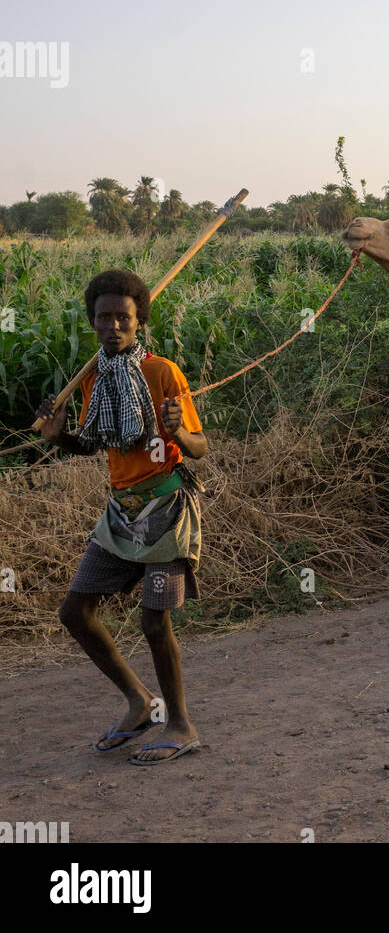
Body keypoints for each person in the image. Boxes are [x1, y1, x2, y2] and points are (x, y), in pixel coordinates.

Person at [36, 268, 207, 766]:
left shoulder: (163, 373)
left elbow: (199, 449)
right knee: (75, 612)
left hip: (166, 509)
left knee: (154, 621)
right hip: (120, 513)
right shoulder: (91, 377)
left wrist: (177, 431)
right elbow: (92, 444)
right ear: (92, 322)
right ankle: (139, 701)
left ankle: (179, 724)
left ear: (139, 322)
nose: (114, 326)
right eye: (104, 317)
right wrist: (57, 436)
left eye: (123, 317)